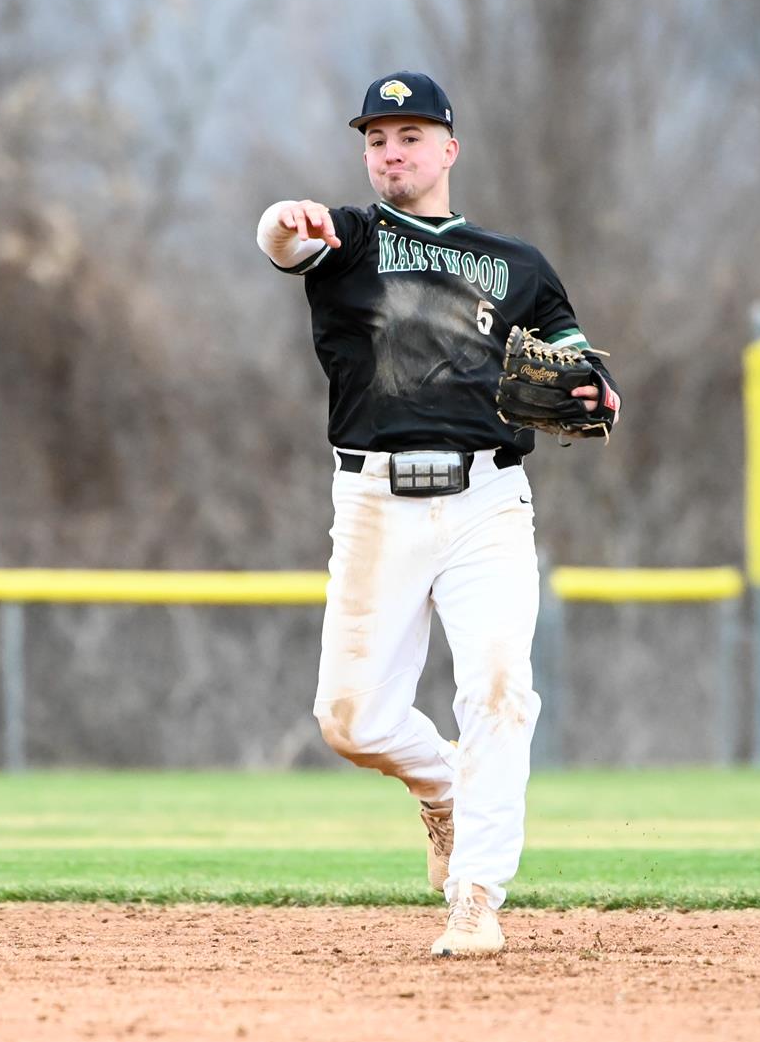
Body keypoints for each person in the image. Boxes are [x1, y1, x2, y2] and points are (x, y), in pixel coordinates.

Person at [255, 71, 620, 957]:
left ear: (448, 149)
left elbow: (584, 370)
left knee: (498, 688)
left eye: (409, 136)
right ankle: (442, 788)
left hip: (487, 498)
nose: (391, 152)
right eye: (377, 139)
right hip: (375, 499)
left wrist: (599, 394)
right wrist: (283, 219)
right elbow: (278, 242)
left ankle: (477, 896)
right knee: (350, 721)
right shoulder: (345, 238)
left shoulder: (516, 265)